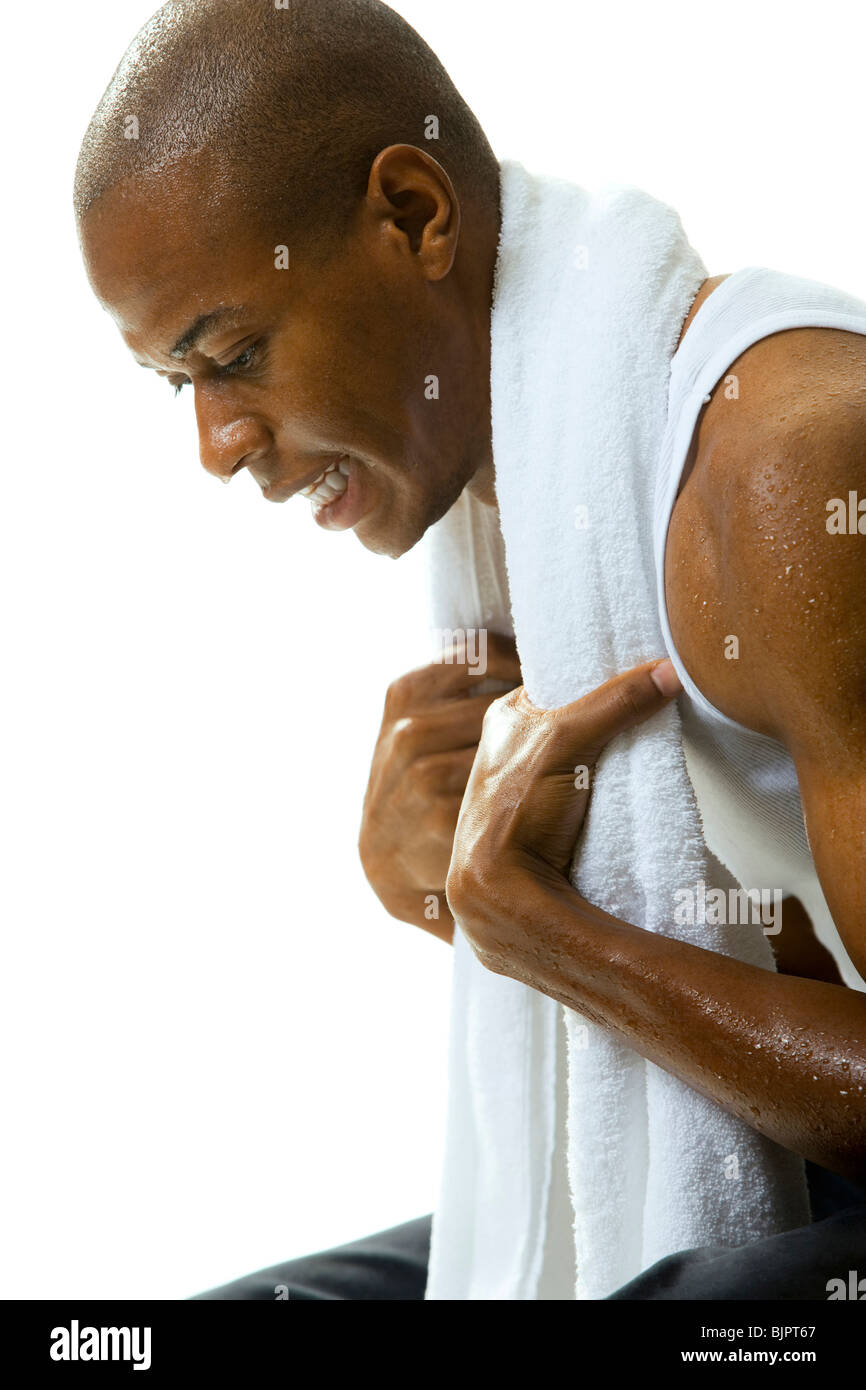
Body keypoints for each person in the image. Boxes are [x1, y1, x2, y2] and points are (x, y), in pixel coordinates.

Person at [74, 0, 866, 1299]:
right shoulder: (531, 501)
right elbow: (782, 946)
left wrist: (558, 938)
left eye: (234, 356)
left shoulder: (785, 480)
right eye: (180, 382)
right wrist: (464, 883)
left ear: (415, 217)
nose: (215, 445)